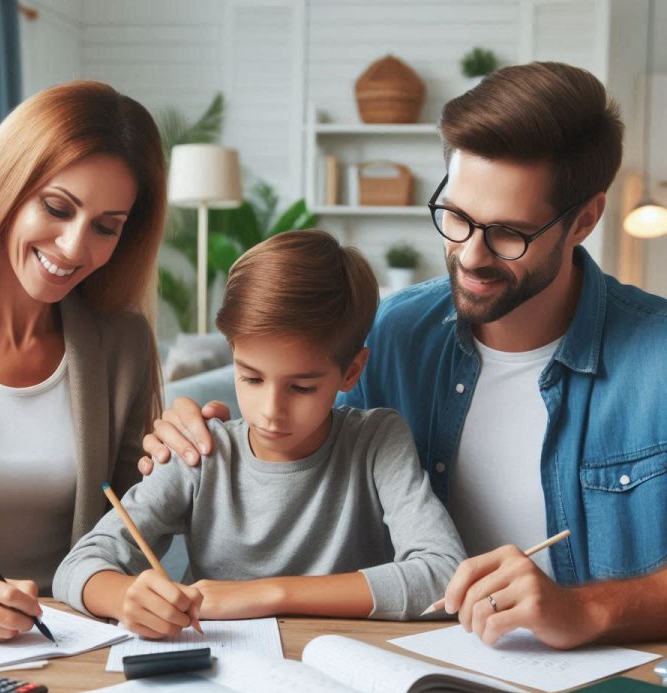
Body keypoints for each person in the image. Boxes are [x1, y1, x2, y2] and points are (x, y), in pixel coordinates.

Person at [145, 61, 667, 650]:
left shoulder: (659, 360)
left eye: (508, 233)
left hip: (607, 687)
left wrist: (586, 609)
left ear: (585, 221)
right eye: (457, 216)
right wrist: (190, 424)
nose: (469, 255)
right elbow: (296, 434)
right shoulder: (391, 334)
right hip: (411, 672)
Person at [53, 231, 465, 637]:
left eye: (302, 387)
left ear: (352, 371)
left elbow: (444, 574)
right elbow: (77, 568)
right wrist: (127, 597)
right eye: (250, 377)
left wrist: (266, 595)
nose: (271, 412)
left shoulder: (377, 441)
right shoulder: (200, 452)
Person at [0, 80, 166, 644]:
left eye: (106, 227)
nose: (73, 247)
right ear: (4, 190)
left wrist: (208, 458)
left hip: (86, 646)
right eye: (56, 207)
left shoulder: (123, 342)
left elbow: (129, 532)